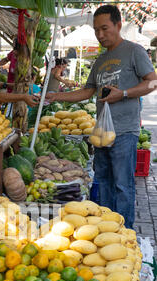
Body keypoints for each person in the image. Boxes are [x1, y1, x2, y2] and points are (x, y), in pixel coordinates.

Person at [45, 4, 157, 229]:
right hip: (102, 132)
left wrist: (123, 93)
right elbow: (87, 92)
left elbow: (152, 81)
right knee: (103, 181)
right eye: (96, 30)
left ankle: (125, 233)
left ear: (118, 25)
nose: (100, 34)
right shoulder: (100, 61)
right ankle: (106, 228)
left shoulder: (134, 51)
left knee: (123, 185)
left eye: (105, 28)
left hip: (125, 130)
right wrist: (55, 96)